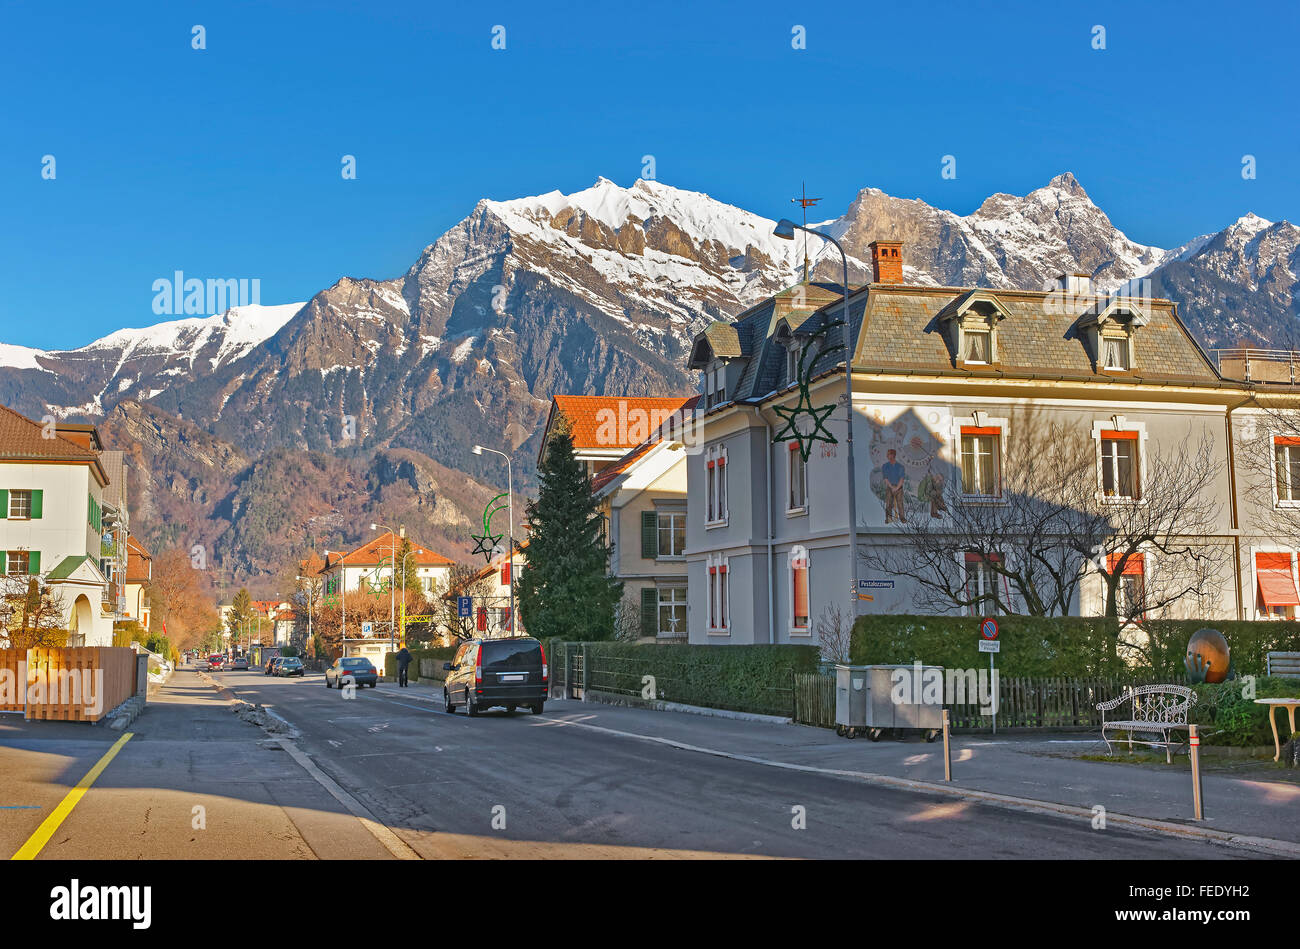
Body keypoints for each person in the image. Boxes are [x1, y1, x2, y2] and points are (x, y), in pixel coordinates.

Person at [882, 448, 906, 523]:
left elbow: (902, 479)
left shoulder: (900, 466)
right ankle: (888, 518)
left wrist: (897, 488)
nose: (888, 456)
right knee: (889, 503)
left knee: (900, 503)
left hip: (899, 487)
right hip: (890, 487)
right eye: (888, 455)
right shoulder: (885, 466)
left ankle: (902, 518)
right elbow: (885, 478)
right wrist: (892, 487)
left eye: (889, 454)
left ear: (893, 455)